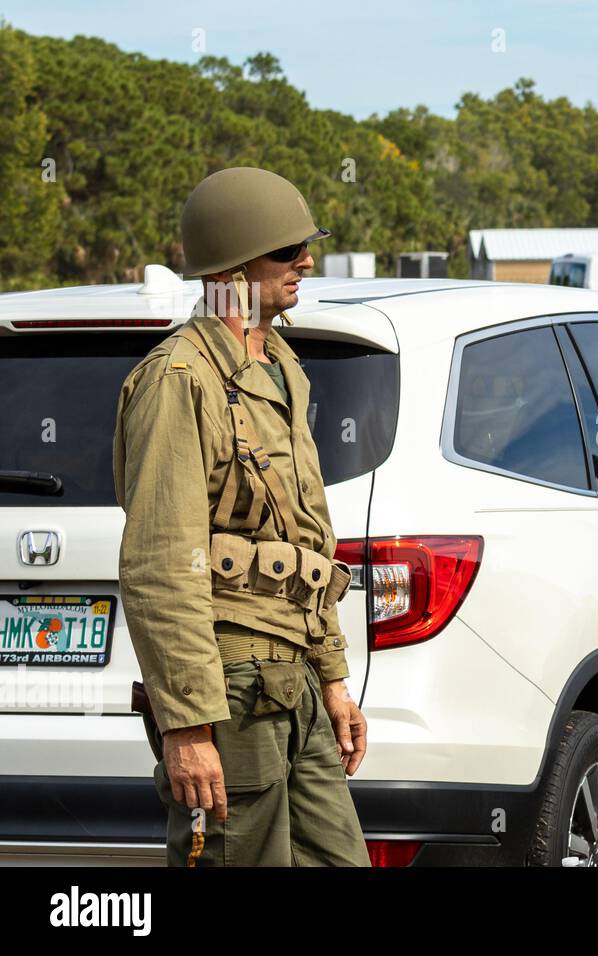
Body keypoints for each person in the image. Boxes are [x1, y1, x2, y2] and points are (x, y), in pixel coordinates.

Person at [112, 166, 371, 866]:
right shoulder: (180, 378)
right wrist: (187, 726)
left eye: (305, 247)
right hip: (228, 686)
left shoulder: (281, 367)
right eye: (287, 251)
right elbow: (161, 562)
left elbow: (307, 541)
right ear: (232, 268)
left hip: (294, 677)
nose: (306, 262)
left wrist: (332, 677)